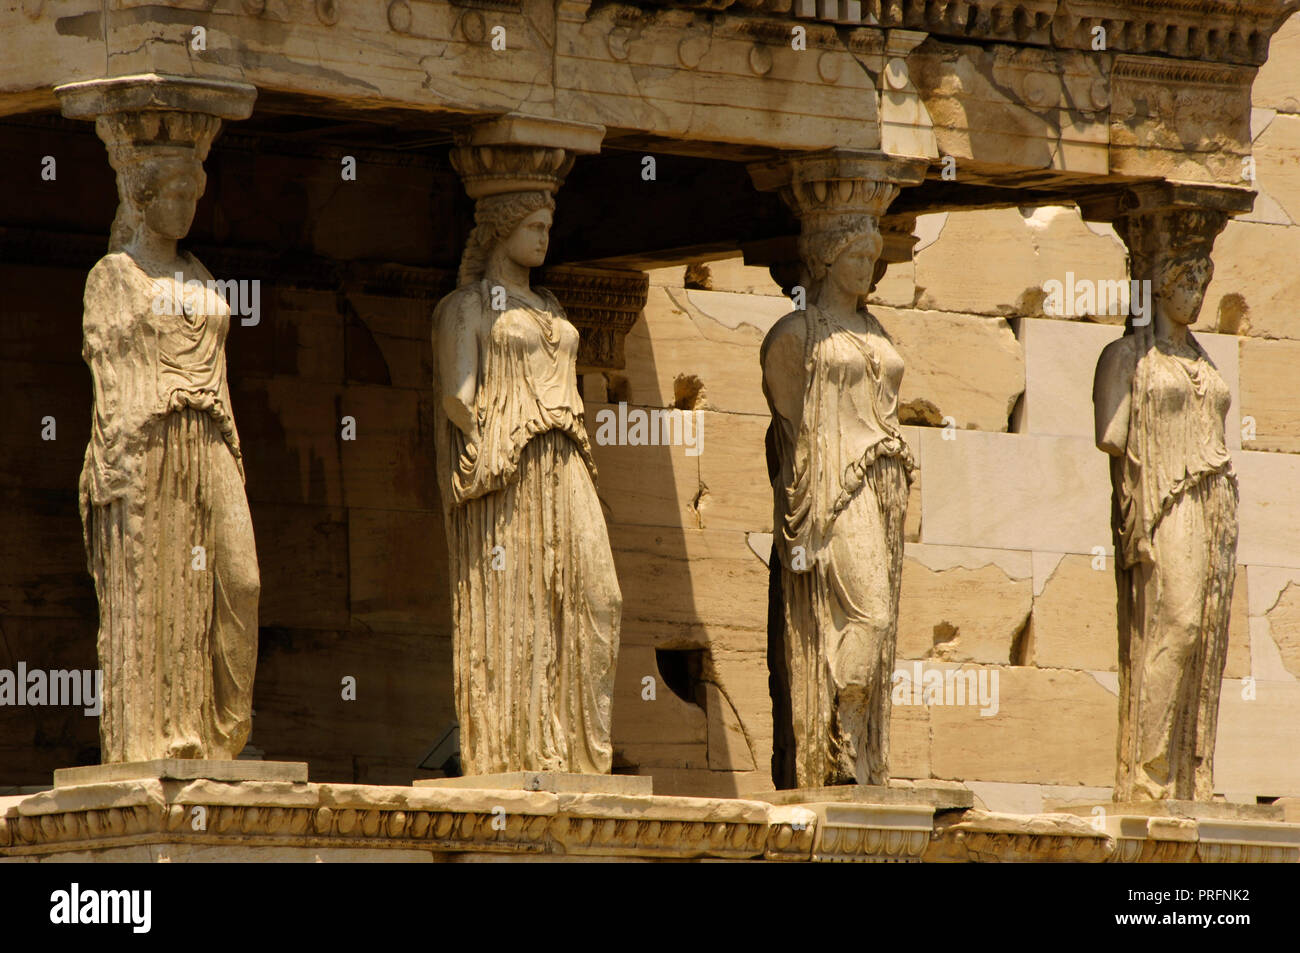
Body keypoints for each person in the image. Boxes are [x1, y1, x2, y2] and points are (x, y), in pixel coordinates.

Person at [432, 189, 621, 775]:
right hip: (507, 469)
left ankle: (584, 756)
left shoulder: (553, 307)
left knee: (601, 597)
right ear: (499, 229)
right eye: (532, 225)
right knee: (526, 602)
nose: (543, 236)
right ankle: (523, 749)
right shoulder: (465, 307)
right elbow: (457, 396)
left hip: (568, 457)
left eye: (548, 225)